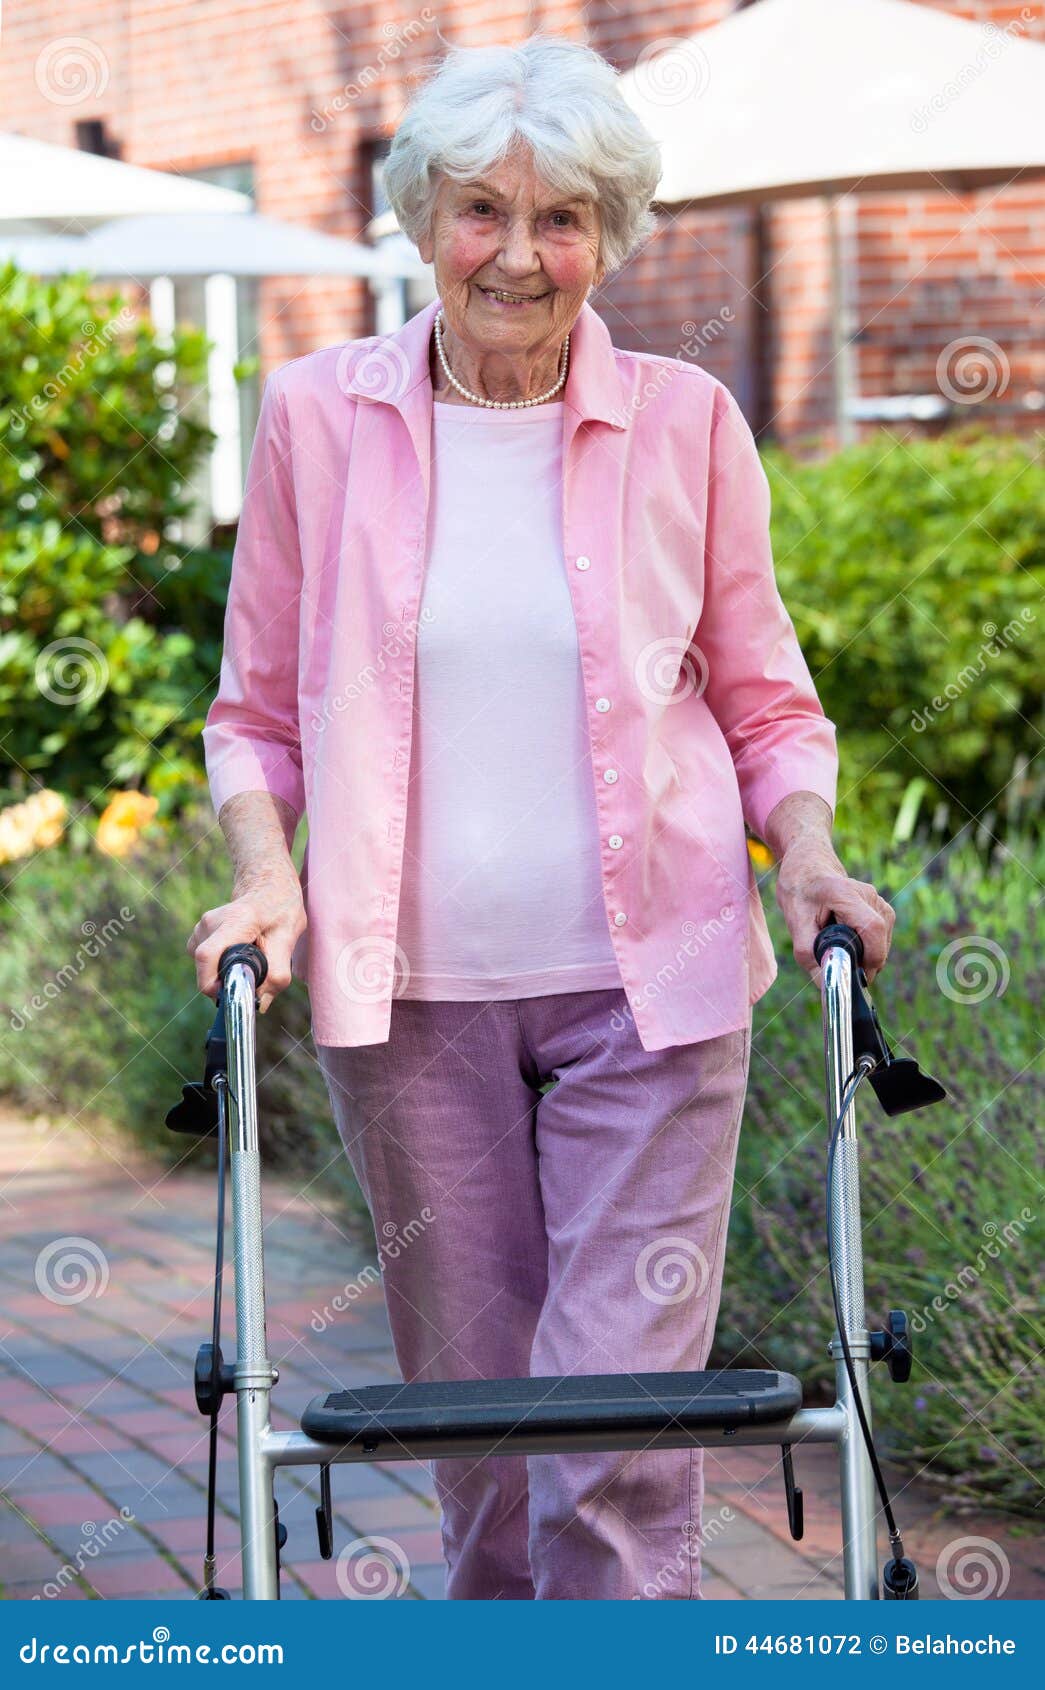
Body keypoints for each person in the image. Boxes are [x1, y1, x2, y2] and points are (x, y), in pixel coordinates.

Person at [189, 35, 895, 1600]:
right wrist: (263, 884)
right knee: (476, 1439)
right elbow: (253, 716)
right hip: (408, 1007)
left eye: (562, 217)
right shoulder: (318, 418)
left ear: (612, 233)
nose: (519, 254)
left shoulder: (685, 421)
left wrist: (814, 855)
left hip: (654, 1002)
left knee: (612, 1435)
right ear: (421, 219)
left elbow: (764, 699)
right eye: (481, 211)